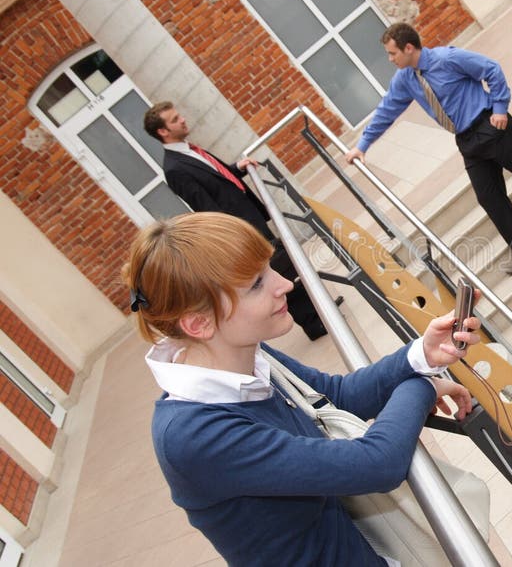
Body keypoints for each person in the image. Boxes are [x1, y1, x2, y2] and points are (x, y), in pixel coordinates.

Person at [122, 211, 478, 566]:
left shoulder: (247, 354)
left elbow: (336, 397)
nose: (285, 284)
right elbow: (378, 463)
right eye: (257, 284)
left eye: (269, 269)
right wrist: (423, 387)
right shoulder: (194, 437)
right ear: (199, 323)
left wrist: (422, 355)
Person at [345, 23, 512, 275]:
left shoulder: (448, 58)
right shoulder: (406, 79)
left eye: (393, 53)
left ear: (409, 47)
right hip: (467, 141)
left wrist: (499, 108)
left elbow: (491, 69)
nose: (390, 59)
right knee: (488, 197)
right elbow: (386, 110)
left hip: (490, 126)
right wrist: (362, 146)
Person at [144, 101, 328, 340]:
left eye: (179, 115)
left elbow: (217, 176)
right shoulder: (175, 168)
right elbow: (206, 207)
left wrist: (237, 168)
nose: (182, 120)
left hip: (250, 216)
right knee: (278, 270)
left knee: (283, 265)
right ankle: (313, 322)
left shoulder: (189, 149)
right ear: (163, 132)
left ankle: (320, 312)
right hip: (242, 227)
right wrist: (237, 234)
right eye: (175, 119)